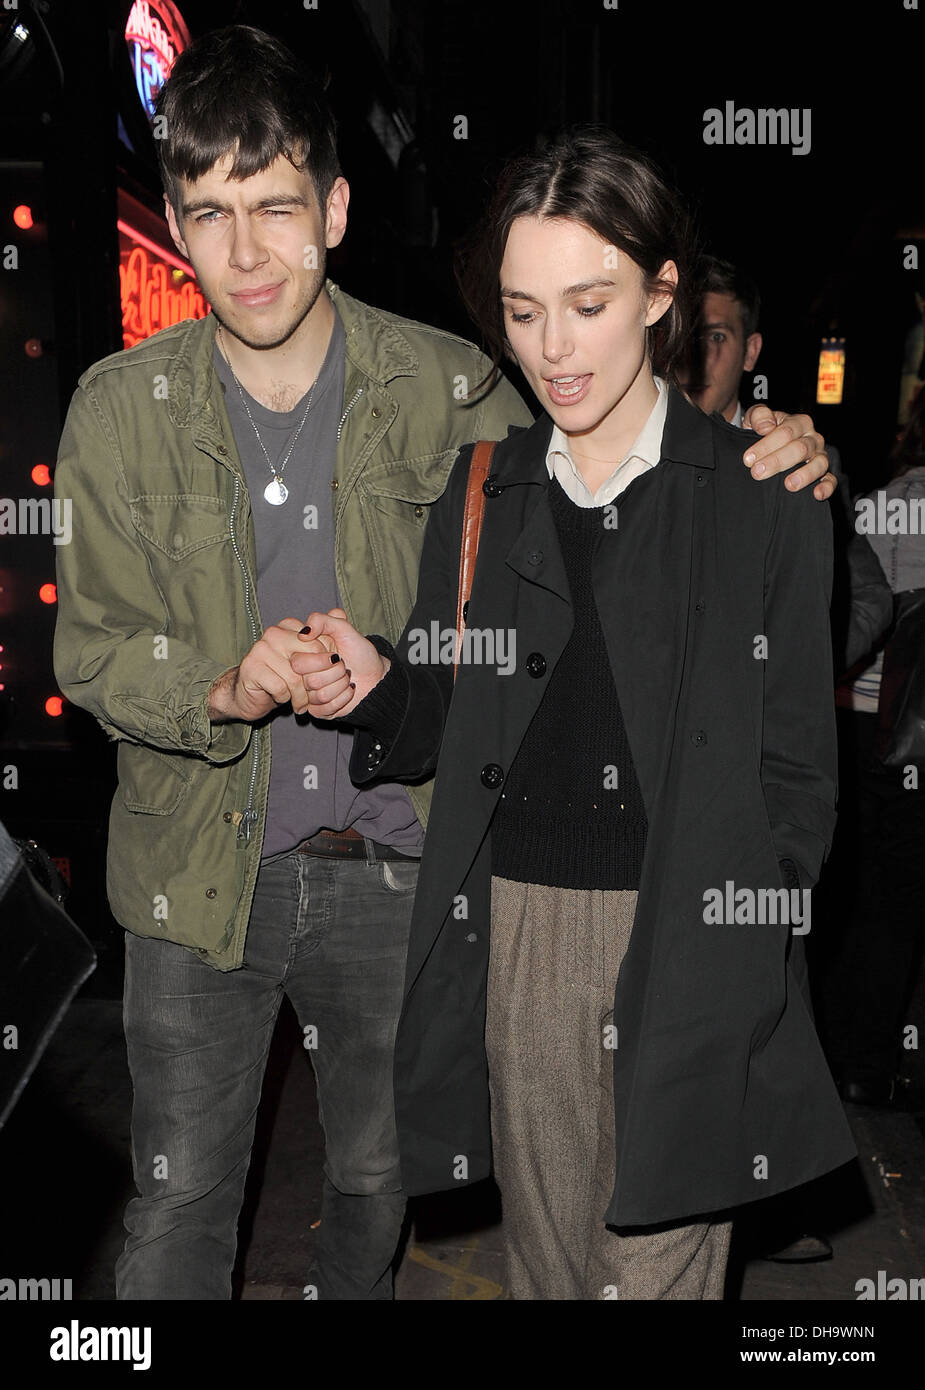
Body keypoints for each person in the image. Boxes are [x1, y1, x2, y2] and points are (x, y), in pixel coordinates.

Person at [52, 25, 834, 1301]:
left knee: (380, 1184)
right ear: (177, 229)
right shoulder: (113, 408)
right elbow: (89, 647)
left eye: (275, 208)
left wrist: (777, 445)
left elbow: (614, 495)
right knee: (179, 1200)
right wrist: (221, 688)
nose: (244, 253)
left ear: (338, 208)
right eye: (207, 214)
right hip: (202, 864)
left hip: (402, 865)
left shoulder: (454, 388)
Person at [294, 127, 857, 1300]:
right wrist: (380, 683)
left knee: (653, 1271)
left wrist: (751, 921)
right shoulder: (480, 489)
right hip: (520, 934)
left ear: (662, 293)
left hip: (691, 935)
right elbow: (458, 704)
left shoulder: (763, 496)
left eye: (588, 302)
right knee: (553, 1272)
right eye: (522, 309)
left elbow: (798, 766)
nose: (552, 349)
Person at [823, 389, 925, 1109]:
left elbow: (849, 603)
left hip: (855, 721)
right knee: (895, 902)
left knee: (848, 892)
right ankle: (865, 1062)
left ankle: (837, 1056)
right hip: (909, 734)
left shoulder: (887, 501)